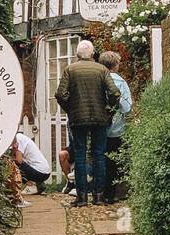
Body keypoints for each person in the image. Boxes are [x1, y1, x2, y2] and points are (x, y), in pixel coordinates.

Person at [54, 40, 120, 207]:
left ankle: (82, 197)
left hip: (78, 119)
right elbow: (114, 93)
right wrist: (109, 111)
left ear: (77, 55)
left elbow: (60, 94)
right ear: (92, 54)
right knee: (99, 155)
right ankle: (99, 196)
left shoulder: (70, 70)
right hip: (100, 118)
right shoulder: (102, 69)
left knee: (80, 156)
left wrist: (71, 108)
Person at [98, 51, 132, 203]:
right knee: (114, 161)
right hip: (117, 127)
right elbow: (127, 107)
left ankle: (99, 192)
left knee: (99, 159)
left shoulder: (97, 80)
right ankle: (112, 194)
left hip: (99, 125)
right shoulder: (120, 82)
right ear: (115, 65)